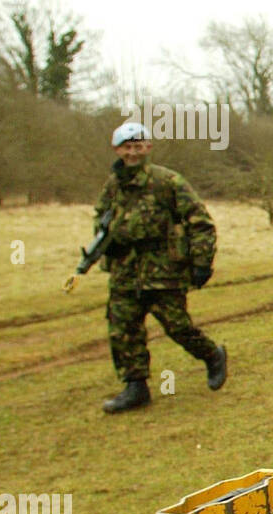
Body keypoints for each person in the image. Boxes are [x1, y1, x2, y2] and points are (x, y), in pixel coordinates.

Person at [97, 122, 226, 412]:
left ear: (148, 147)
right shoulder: (112, 187)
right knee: (123, 329)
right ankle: (135, 386)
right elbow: (101, 221)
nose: (133, 152)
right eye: (127, 147)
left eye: (138, 146)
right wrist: (109, 246)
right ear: (117, 150)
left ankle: (212, 355)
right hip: (125, 272)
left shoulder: (168, 182)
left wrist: (202, 262)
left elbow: (200, 222)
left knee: (177, 326)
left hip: (163, 270)